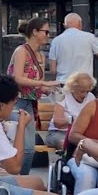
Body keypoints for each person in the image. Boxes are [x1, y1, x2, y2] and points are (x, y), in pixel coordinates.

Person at [8, 18, 59, 175]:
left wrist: (46, 89)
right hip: (15, 102)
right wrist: (43, 84)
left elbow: (35, 83)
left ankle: (22, 179)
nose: (48, 35)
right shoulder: (21, 51)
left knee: (29, 149)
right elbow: (17, 78)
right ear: (35, 32)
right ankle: (18, 179)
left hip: (29, 103)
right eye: (46, 32)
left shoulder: (41, 56)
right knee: (20, 146)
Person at [47, 13, 98, 84]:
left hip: (63, 83)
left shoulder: (56, 41)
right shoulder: (89, 37)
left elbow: (53, 70)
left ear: (64, 25)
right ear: (80, 24)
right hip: (84, 84)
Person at [49, 72, 95, 151]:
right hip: (59, 133)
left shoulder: (91, 97)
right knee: (67, 144)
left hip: (80, 134)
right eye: (82, 91)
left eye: (87, 91)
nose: (85, 95)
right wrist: (74, 120)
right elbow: (58, 123)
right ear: (73, 88)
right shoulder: (63, 95)